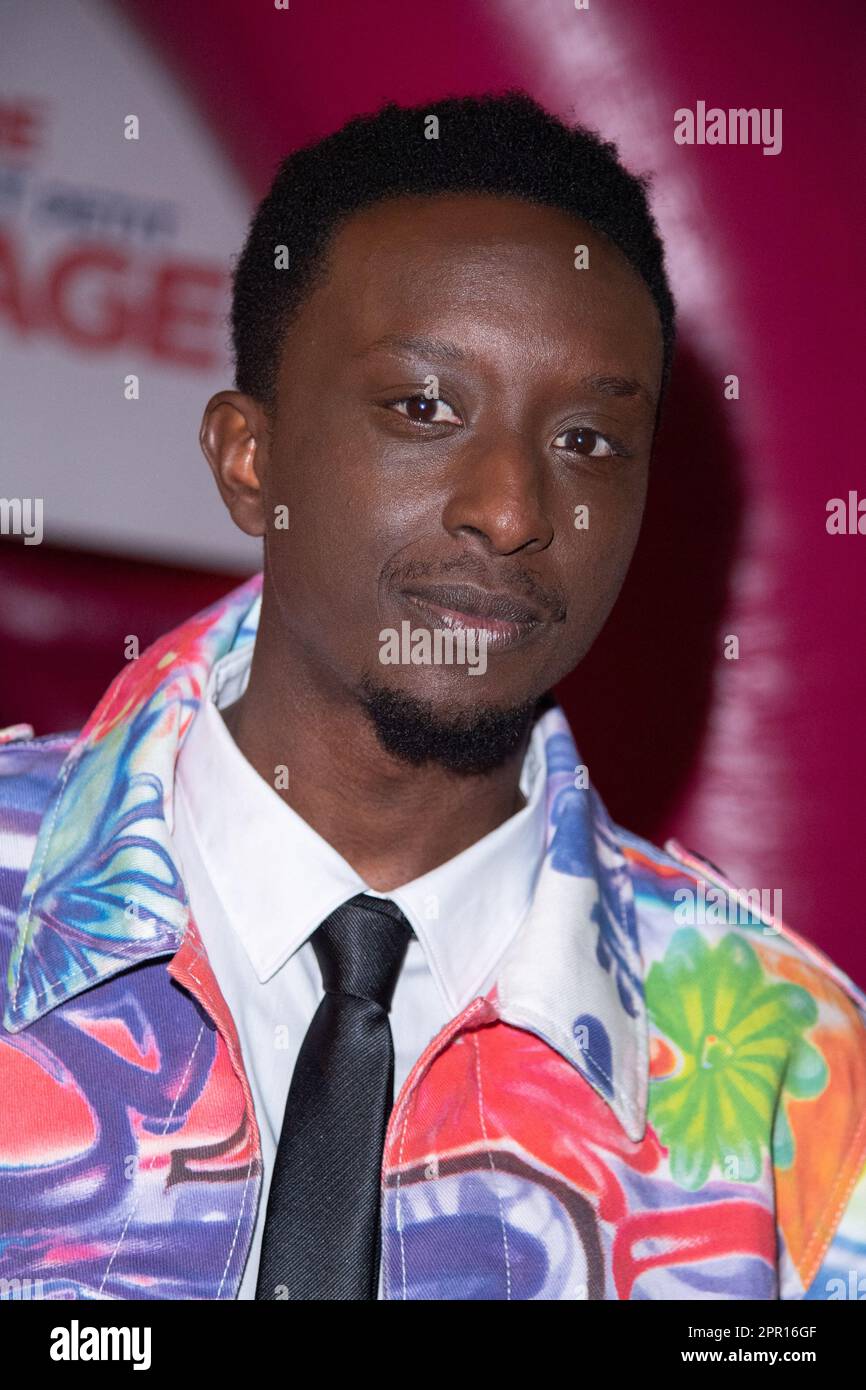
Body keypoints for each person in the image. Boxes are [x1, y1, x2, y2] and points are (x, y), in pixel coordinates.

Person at [1, 92, 864, 1303]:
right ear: (250, 460)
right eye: (423, 407)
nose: (511, 510)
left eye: (587, 441)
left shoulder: (792, 1070)